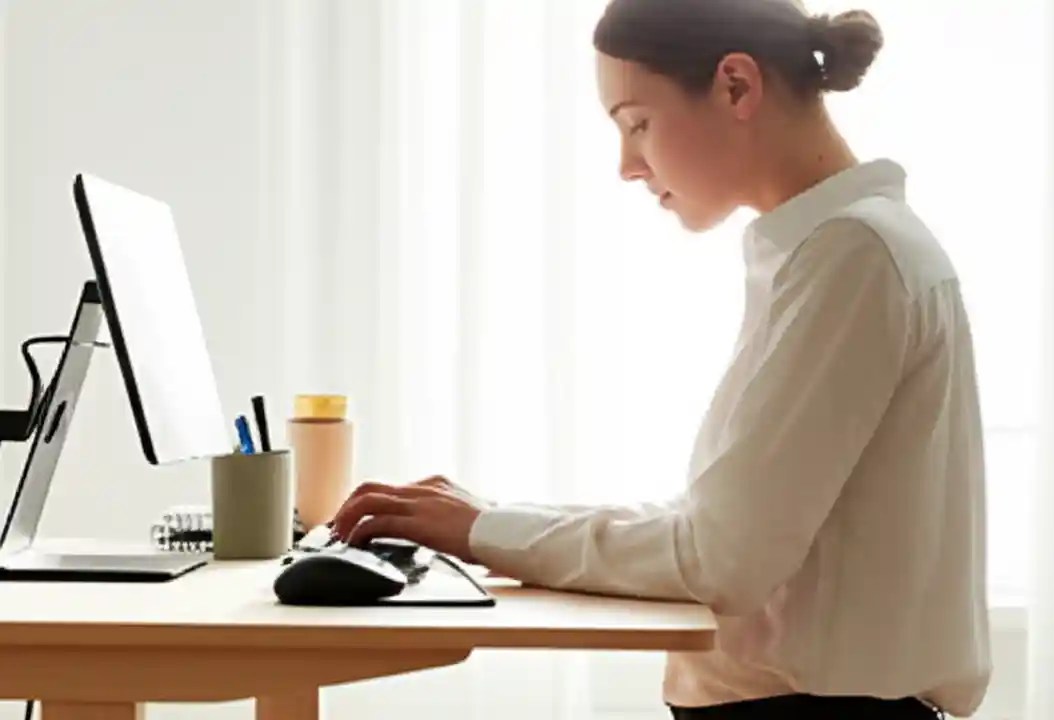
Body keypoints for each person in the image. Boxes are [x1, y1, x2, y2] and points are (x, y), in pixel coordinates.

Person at [328, 0, 991, 717]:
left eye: (636, 123)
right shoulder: (836, 249)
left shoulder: (851, 256)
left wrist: (486, 532)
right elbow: (722, 526)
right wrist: (493, 519)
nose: (627, 166)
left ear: (737, 85)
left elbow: (720, 559)